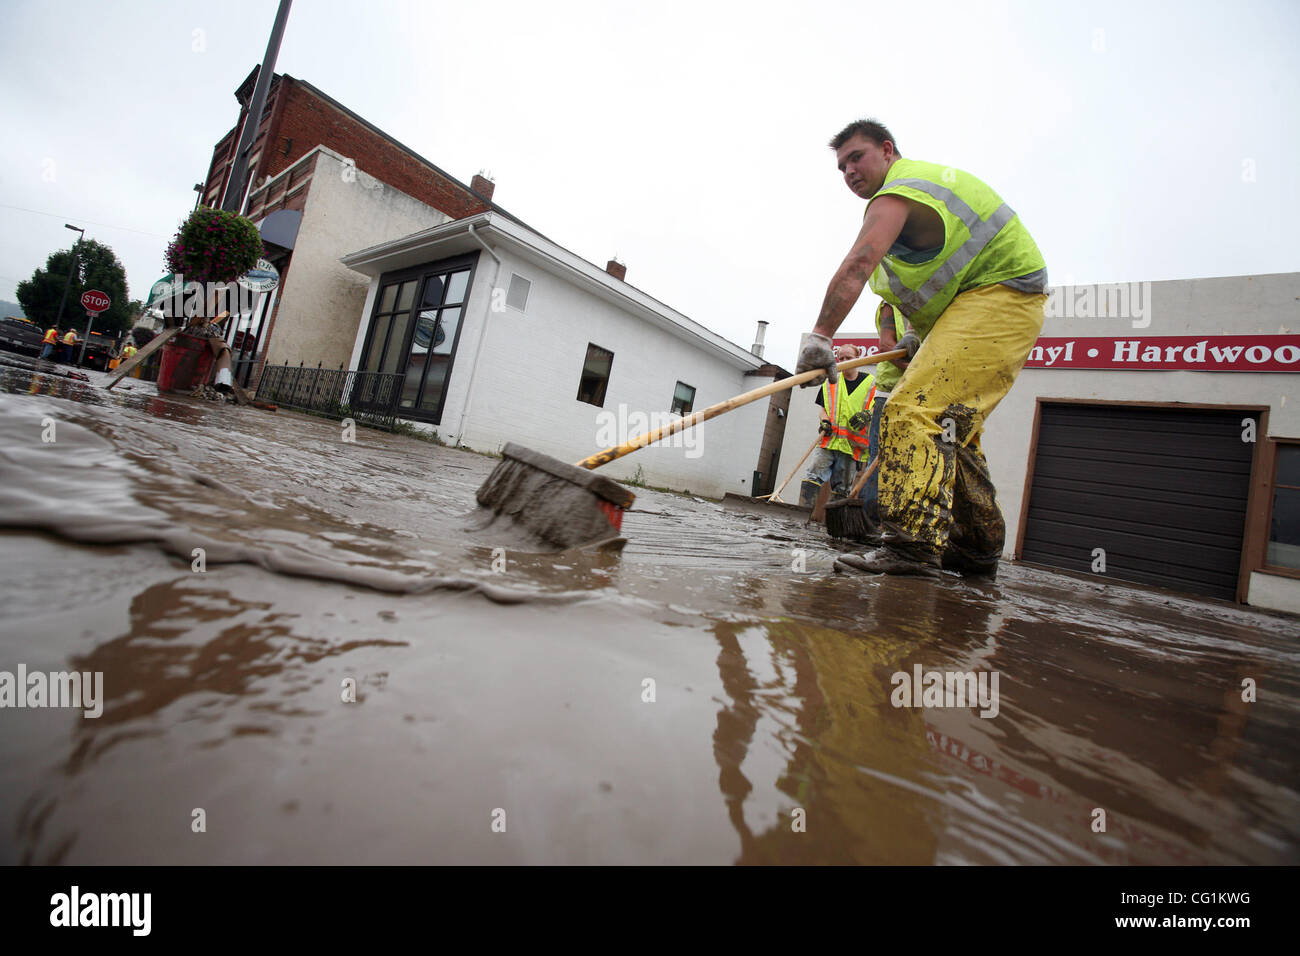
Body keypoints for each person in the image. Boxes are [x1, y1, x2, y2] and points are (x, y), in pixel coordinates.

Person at [796, 119, 1048, 578]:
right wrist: (914, 332)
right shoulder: (904, 226)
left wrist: (821, 337)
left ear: (887, 151)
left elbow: (858, 263)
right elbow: (918, 288)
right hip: (990, 303)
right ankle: (975, 549)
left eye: (857, 157)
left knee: (909, 412)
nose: (849, 171)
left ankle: (911, 546)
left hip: (1003, 294)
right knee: (954, 431)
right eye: (841, 166)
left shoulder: (899, 192)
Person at [799, 343, 876, 507]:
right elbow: (823, 408)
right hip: (830, 440)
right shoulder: (830, 383)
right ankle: (801, 514)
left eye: (848, 358)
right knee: (813, 474)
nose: (844, 361)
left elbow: (877, 408)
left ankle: (834, 525)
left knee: (842, 488)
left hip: (851, 446)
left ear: (858, 358)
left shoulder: (870, 383)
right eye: (841, 358)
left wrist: (867, 414)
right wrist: (825, 421)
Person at [857, 301, 911, 531]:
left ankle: (895, 523)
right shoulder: (891, 306)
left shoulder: (931, 305)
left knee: (907, 460)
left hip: (918, 393)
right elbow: (887, 346)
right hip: (889, 392)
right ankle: (870, 521)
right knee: (878, 458)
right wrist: (917, 368)